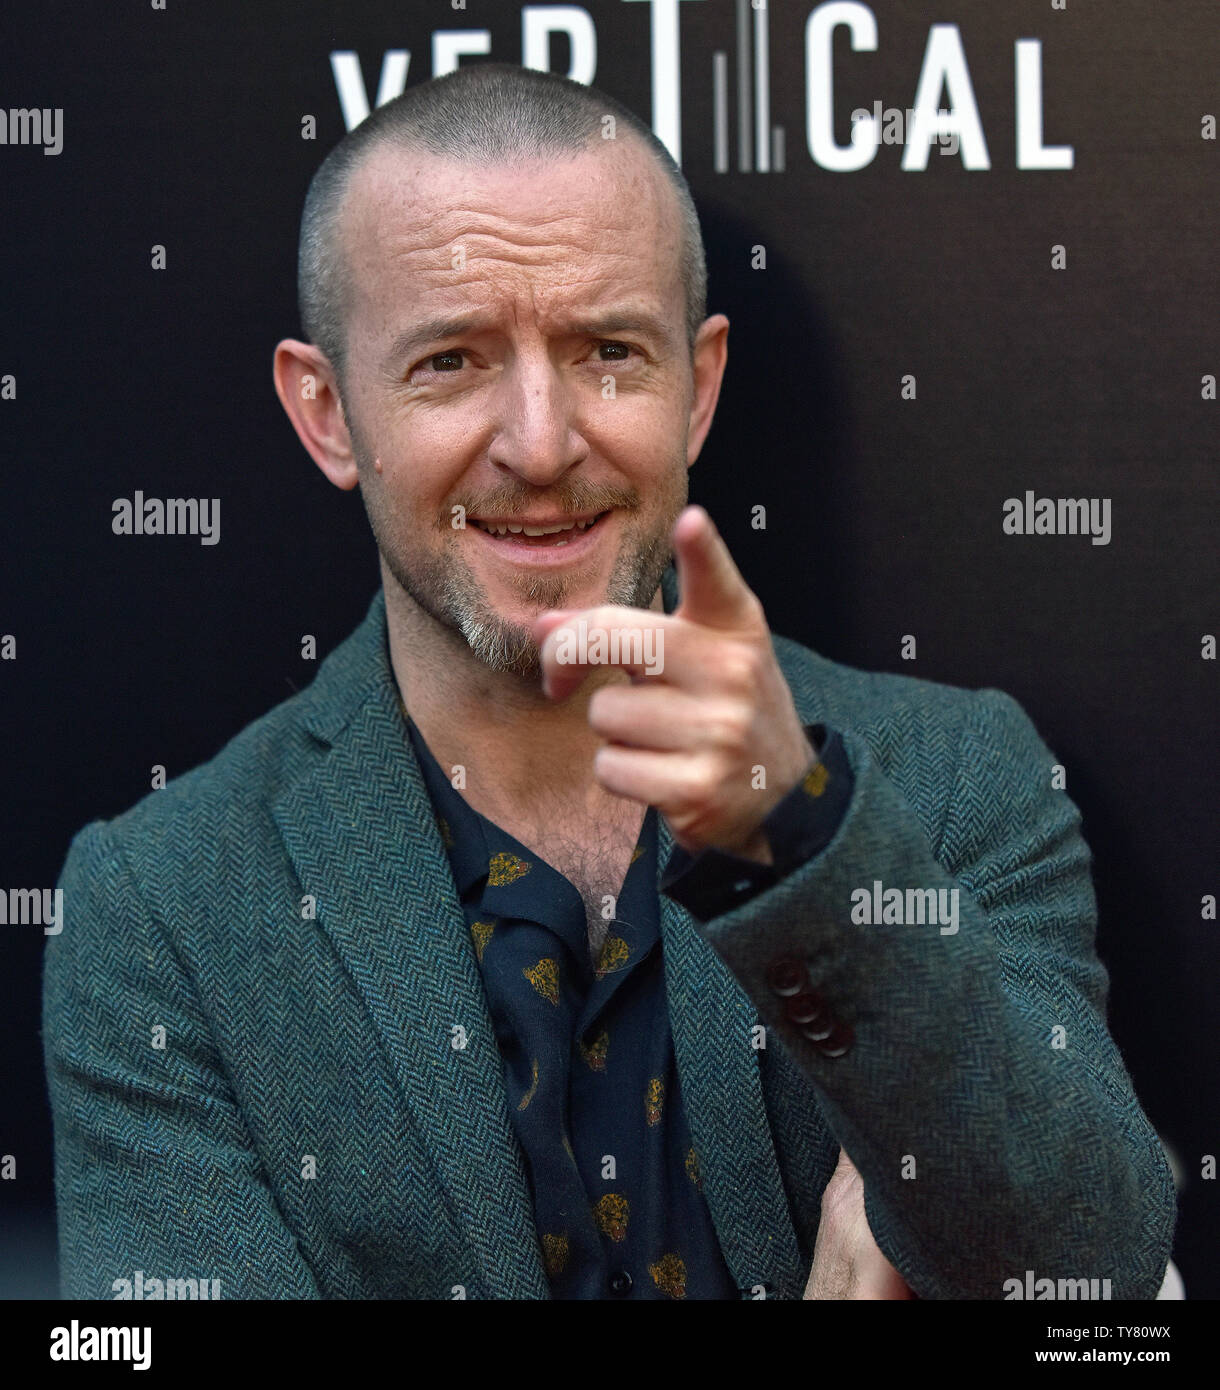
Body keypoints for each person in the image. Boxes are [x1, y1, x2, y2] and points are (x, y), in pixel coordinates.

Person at [44, 62, 1175, 1300]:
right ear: (326, 413)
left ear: (697, 389)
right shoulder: (161, 906)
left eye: (607, 352)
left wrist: (799, 842)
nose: (540, 444)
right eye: (451, 362)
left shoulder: (950, 780)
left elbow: (1092, 1276)